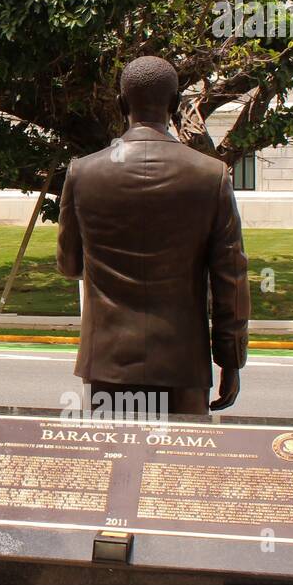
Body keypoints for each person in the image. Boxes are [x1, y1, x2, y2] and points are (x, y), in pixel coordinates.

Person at [56, 56, 250, 416]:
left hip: (107, 363)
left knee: (113, 468)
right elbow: (231, 279)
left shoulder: (82, 174)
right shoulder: (211, 175)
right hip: (184, 365)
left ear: (120, 104)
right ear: (176, 106)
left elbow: (69, 265)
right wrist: (231, 359)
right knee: (181, 469)